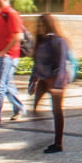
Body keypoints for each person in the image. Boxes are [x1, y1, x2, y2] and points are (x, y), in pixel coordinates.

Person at [29, 14, 71, 153]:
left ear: (48, 25)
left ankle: (58, 143)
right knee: (35, 109)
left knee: (57, 111)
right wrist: (33, 81)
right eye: (38, 25)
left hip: (55, 80)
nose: (39, 28)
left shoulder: (58, 41)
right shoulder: (41, 42)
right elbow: (37, 63)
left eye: (42, 25)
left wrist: (57, 85)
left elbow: (61, 63)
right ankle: (46, 134)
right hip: (43, 79)